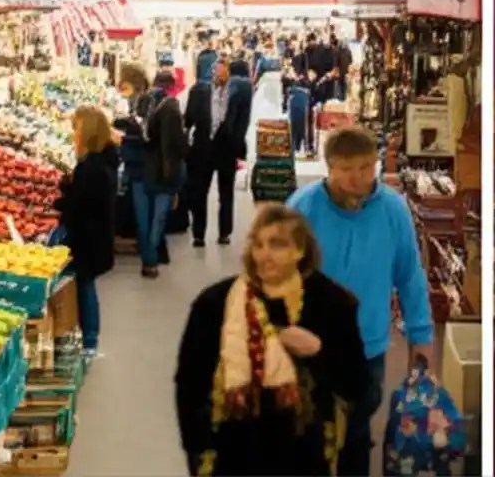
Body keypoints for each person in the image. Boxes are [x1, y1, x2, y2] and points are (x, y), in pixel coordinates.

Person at [174, 205, 368, 476]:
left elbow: (357, 386)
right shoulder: (215, 305)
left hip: (306, 456)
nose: (264, 254)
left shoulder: (332, 303)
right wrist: (197, 452)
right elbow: (190, 386)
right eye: (258, 244)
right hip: (234, 454)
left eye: (277, 245)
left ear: (300, 250)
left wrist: (318, 352)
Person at [287, 127, 435, 476]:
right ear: (330, 168)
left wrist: (422, 336)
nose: (360, 178)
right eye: (348, 169)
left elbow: (409, 276)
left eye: (367, 167)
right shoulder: (301, 210)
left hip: (366, 348)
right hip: (310, 348)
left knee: (355, 433)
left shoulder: (392, 210)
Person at [54, 107, 118, 356]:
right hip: (97, 236)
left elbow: (79, 205)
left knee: (85, 285)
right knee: (85, 285)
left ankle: (90, 340)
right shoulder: (104, 160)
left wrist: (61, 201)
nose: (73, 135)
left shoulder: (91, 167)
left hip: (88, 239)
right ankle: (87, 336)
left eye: (76, 129)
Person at [183, 60, 251, 247]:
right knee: (199, 192)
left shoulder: (238, 93)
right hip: (202, 148)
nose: (219, 75)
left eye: (223, 72)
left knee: (226, 193)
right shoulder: (199, 92)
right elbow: (188, 119)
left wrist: (237, 145)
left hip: (226, 148)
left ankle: (224, 233)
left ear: (229, 74)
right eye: (216, 72)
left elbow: (243, 121)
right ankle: (198, 234)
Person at [139, 70, 187, 277]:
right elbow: (176, 145)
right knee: (158, 218)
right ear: (171, 86)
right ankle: (151, 261)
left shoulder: (144, 103)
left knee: (146, 218)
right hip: (166, 171)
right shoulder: (171, 107)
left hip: (147, 169)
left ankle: (150, 257)